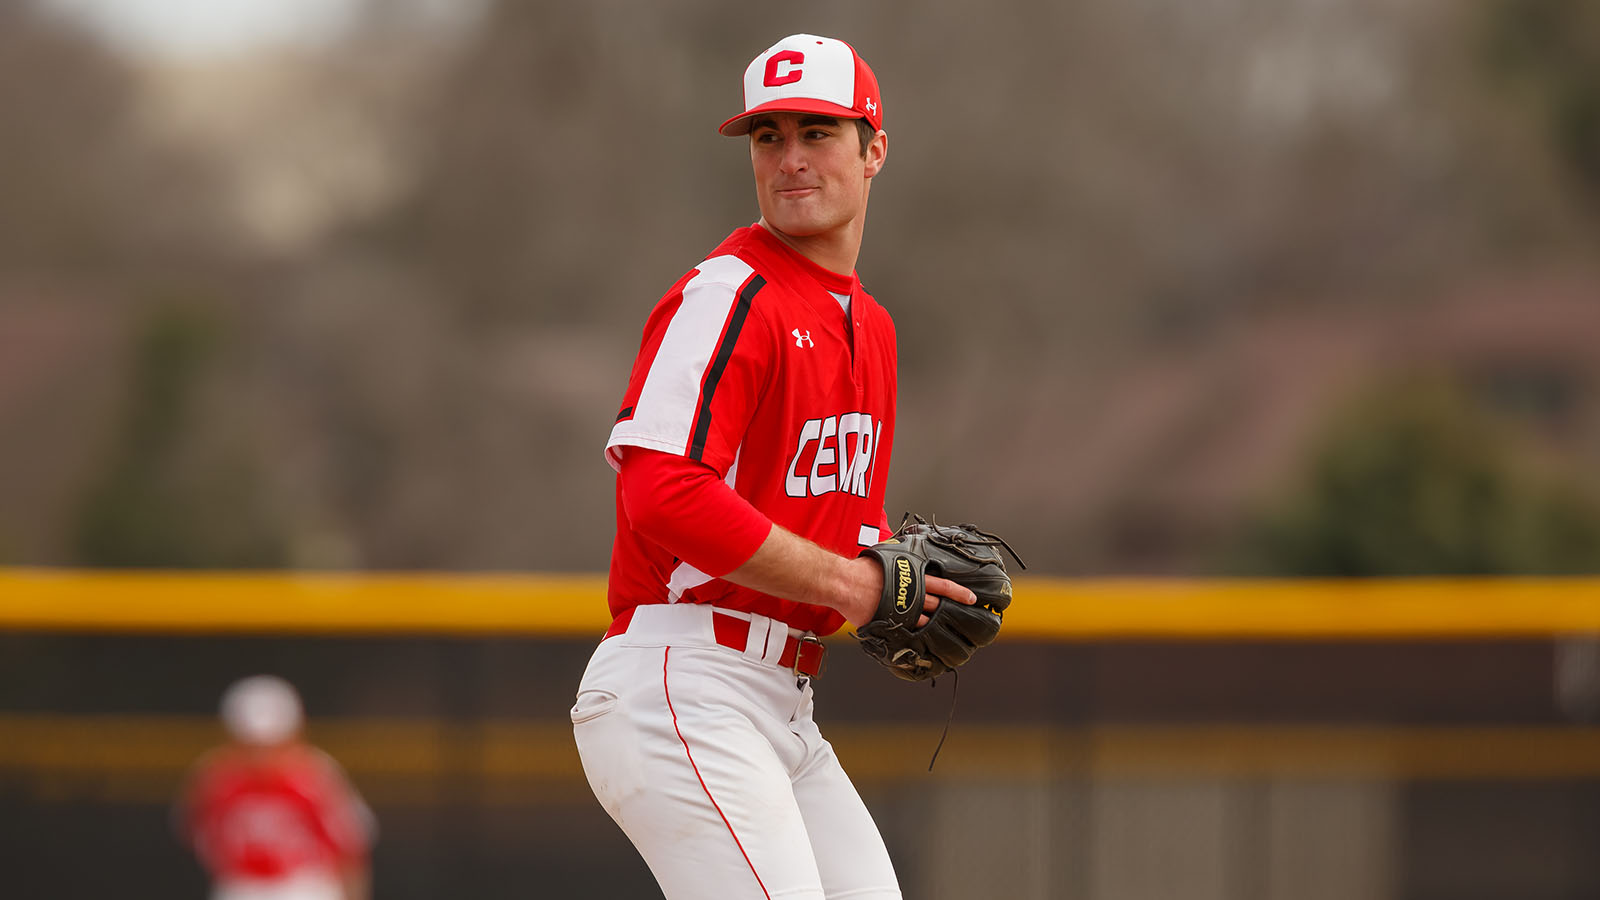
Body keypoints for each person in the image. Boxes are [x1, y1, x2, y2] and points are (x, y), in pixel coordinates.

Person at [571, 33, 979, 900]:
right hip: (682, 683)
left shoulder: (872, 326)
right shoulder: (729, 293)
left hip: (782, 700)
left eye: (817, 133)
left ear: (874, 151)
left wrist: (896, 581)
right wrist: (857, 585)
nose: (790, 159)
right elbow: (661, 492)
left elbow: (845, 524)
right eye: (769, 137)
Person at [174, 675, 376, 900]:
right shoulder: (215, 779)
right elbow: (195, 835)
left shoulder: (316, 777)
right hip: (240, 887)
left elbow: (351, 851)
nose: (262, 757)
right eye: (251, 745)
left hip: (303, 887)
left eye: (272, 745)